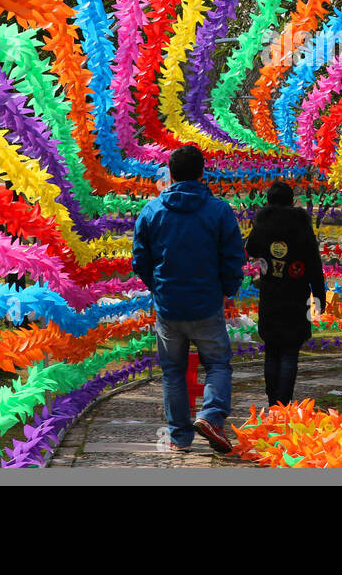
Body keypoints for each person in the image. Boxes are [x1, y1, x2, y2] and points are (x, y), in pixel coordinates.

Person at [132, 145, 245, 454]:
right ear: (201, 173)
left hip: (169, 307)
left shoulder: (152, 212)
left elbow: (140, 260)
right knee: (218, 363)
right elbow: (233, 257)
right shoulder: (219, 211)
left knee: (173, 371)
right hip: (207, 303)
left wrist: (158, 287)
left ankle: (180, 437)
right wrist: (228, 291)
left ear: (170, 174)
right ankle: (211, 416)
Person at [246, 181, 327, 407]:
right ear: (292, 201)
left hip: (271, 294)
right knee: (290, 350)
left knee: (271, 349)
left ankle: (273, 400)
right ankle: (284, 402)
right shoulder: (302, 225)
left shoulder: (262, 223)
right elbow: (314, 264)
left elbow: (250, 248)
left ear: (268, 201)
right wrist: (319, 297)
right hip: (296, 294)